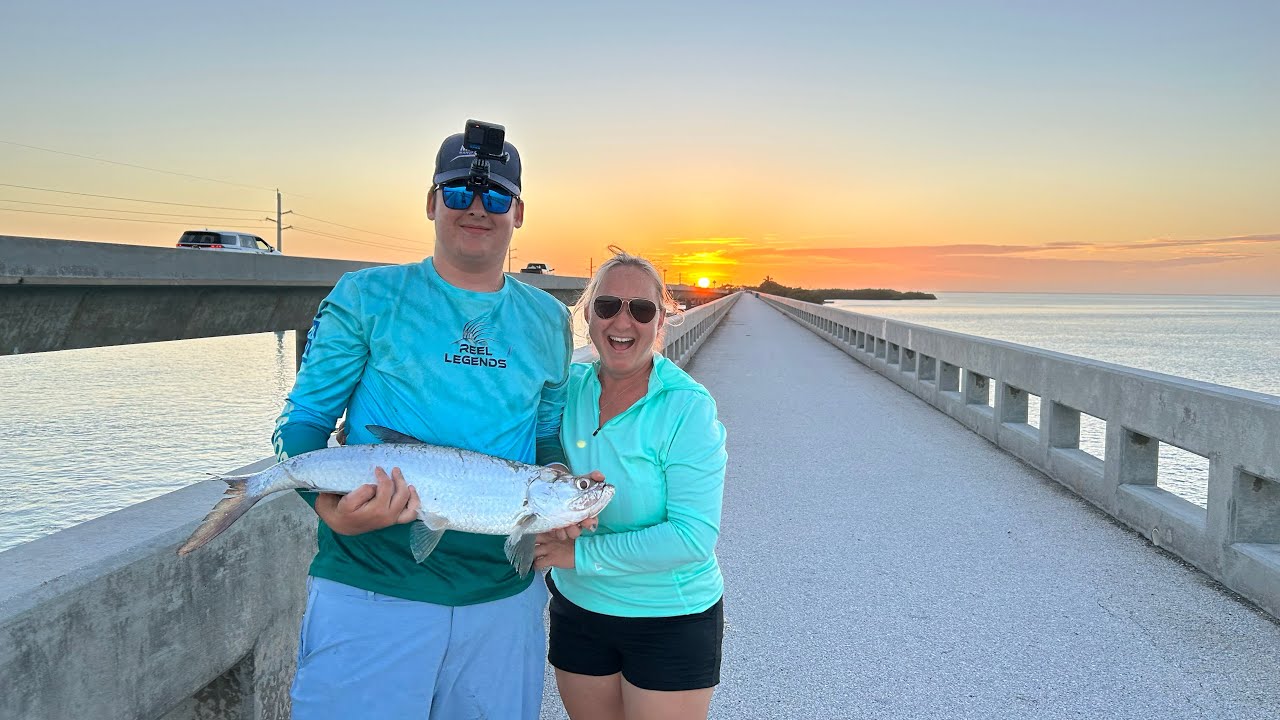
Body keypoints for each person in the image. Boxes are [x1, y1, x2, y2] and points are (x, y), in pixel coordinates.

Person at [273, 125, 592, 720]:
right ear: (431, 202)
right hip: (371, 588)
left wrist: (562, 496)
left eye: (496, 196)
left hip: (502, 597)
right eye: (459, 192)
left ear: (518, 213)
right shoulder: (367, 295)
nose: (477, 208)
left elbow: (546, 435)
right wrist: (327, 509)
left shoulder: (549, 318)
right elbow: (303, 422)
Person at [534, 248, 729, 720]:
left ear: (661, 320)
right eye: (607, 306)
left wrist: (578, 555)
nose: (622, 322)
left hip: (669, 616)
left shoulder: (686, 407)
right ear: (587, 315)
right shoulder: (568, 387)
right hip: (579, 608)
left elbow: (692, 537)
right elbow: (538, 449)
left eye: (641, 309)